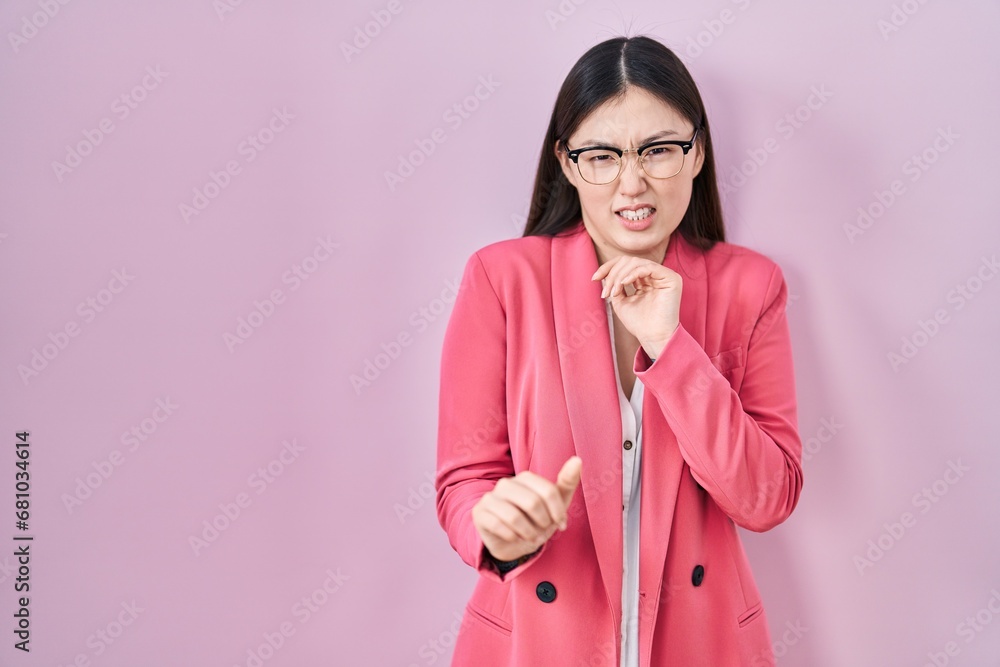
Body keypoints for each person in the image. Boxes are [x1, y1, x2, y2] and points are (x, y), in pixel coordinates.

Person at [434, 34, 803, 667]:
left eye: (659, 150)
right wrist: (498, 529)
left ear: (697, 152)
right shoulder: (502, 279)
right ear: (568, 163)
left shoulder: (753, 287)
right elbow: (464, 483)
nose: (632, 184)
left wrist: (670, 345)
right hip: (535, 643)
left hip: (704, 644)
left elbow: (766, 497)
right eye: (601, 155)